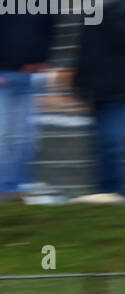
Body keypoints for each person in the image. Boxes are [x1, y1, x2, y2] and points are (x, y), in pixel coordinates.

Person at [74, 0, 125, 201]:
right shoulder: (93, 13)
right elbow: (85, 49)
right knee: (102, 144)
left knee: (114, 143)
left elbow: (123, 37)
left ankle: (118, 189)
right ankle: (105, 189)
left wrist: (106, 9)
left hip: (117, 90)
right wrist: (81, 84)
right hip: (96, 92)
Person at [0, 7, 56, 201]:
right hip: (4, 76)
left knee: (25, 137)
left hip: (29, 76)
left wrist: (43, 60)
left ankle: (17, 187)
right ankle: (6, 187)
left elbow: (49, 25)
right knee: (5, 135)